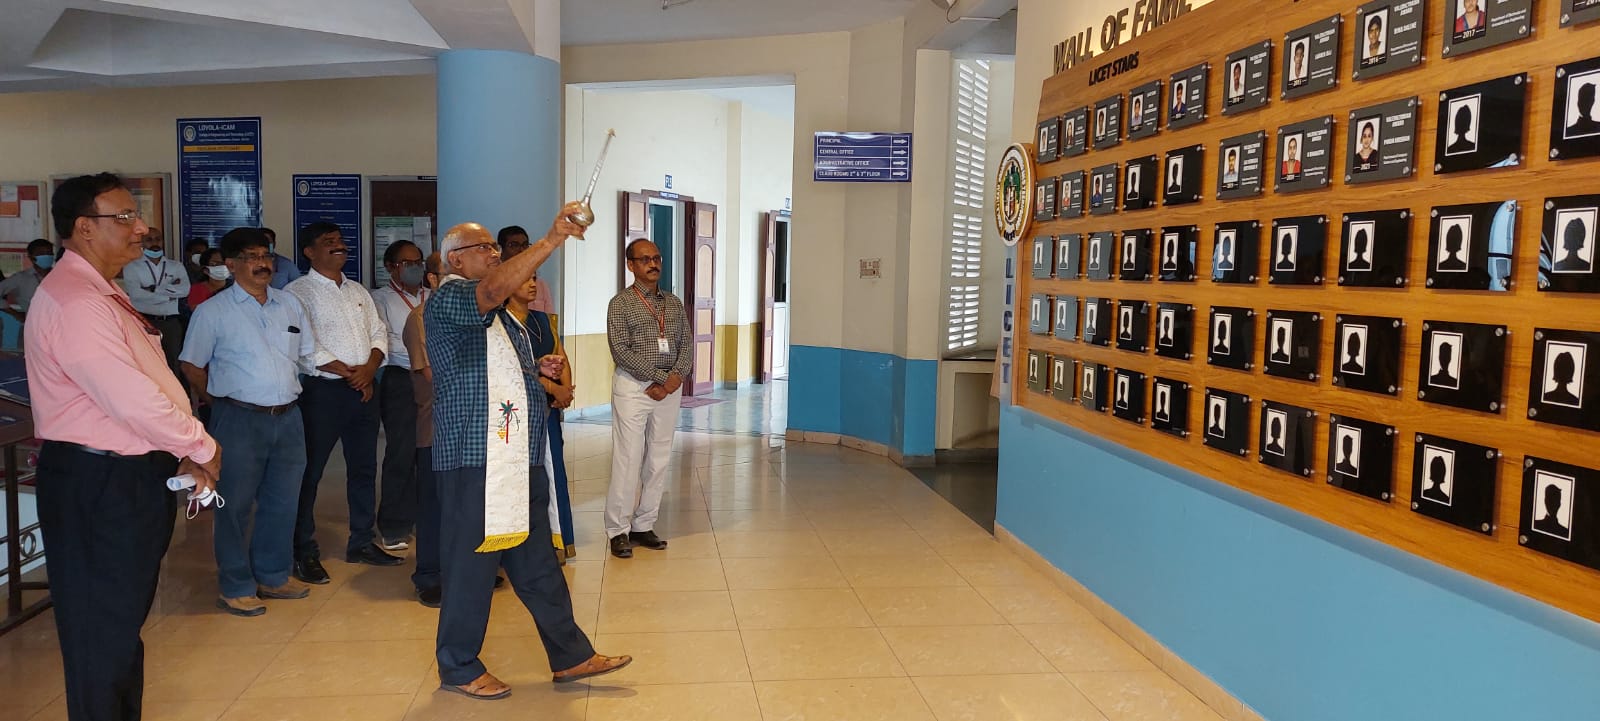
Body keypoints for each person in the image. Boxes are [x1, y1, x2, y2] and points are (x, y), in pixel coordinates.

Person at [28, 172, 221, 721]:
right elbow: (130, 399)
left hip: (125, 475)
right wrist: (200, 444)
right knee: (100, 633)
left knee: (117, 627)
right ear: (84, 228)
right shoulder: (76, 302)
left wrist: (185, 444)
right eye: (125, 218)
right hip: (99, 482)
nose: (142, 228)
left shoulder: (101, 292)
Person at [427, 216, 630, 699]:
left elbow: (502, 375)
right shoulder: (453, 296)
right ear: (456, 259)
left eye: (497, 248)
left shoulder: (504, 323)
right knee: (470, 568)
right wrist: (553, 238)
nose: (495, 255)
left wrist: (537, 367)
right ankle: (457, 666)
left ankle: (571, 656)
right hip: (474, 461)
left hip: (516, 460)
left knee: (538, 565)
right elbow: (495, 289)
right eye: (485, 248)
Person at [179, 227, 316, 617]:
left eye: (266, 256)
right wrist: (220, 401)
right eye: (252, 257)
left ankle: (273, 575)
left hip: (288, 417)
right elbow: (191, 364)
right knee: (234, 505)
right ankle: (236, 584)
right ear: (231, 264)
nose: (262, 264)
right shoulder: (213, 312)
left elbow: (304, 357)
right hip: (238, 418)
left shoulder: (289, 305)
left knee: (282, 501)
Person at [286, 221, 397, 585]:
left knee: (364, 469)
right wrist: (351, 374)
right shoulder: (297, 292)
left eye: (340, 241)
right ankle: (303, 550)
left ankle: (361, 541)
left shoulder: (357, 290)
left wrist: (369, 369)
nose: (339, 246)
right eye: (328, 242)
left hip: (364, 389)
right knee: (310, 472)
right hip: (325, 392)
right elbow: (304, 346)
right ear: (309, 252)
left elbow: (379, 332)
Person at [605, 238, 693, 559]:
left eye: (657, 258)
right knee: (628, 459)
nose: (653, 264)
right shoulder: (621, 304)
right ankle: (618, 530)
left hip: (668, 390)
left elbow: (686, 343)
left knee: (658, 459)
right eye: (645, 259)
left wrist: (673, 380)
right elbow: (620, 350)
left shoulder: (673, 302)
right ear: (631, 265)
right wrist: (659, 378)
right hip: (633, 389)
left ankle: (644, 524)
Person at [507, 275, 577, 562]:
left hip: (547, 410)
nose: (533, 284)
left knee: (552, 473)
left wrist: (565, 390)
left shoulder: (543, 320)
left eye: (535, 278)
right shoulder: (502, 322)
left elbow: (561, 358)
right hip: (517, 412)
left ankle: (558, 540)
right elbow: (514, 369)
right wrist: (553, 388)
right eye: (524, 279)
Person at [372, 240, 429, 551]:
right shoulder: (378, 299)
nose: (414, 267)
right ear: (391, 267)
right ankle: (394, 525)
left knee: (430, 452)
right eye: (407, 262)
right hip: (401, 379)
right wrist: (421, 349)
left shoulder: (431, 296)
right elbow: (387, 342)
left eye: (418, 261)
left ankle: (424, 516)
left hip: (434, 379)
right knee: (402, 452)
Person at [405, 252, 446, 606]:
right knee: (433, 506)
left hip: (473, 429)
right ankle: (429, 575)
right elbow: (434, 377)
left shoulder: (478, 315)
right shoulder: (420, 319)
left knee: (465, 506)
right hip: (436, 428)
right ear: (431, 279)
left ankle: (462, 570)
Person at [122, 224, 190, 375]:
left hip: (170, 322)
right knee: (146, 364)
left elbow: (185, 291)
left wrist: (153, 289)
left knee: (174, 364)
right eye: (149, 239)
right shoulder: (131, 267)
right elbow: (136, 294)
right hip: (144, 321)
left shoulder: (176, 266)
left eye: (158, 239)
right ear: (141, 242)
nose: (154, 243)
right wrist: (170, 294)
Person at [498, 225, 554, 313]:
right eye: (514, 245)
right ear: (500, 250)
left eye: (525, 245)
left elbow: (549, 323)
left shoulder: (540, 286)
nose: (521, 250)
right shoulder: (493, 285)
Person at [0, 238, 55, 310]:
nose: (46, 256)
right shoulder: (20, 278)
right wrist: (13, 312)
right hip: (31, 320)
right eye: (41, 253)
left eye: (49, 253)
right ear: (31, 257)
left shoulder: (61, 276)